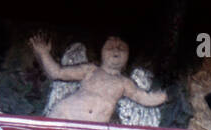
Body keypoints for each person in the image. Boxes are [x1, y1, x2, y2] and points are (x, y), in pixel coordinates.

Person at [30, 34, 167, 123]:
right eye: (110, 47)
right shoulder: (90, 70)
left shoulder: (124, 83)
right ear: (100, 52)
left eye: (121, 48)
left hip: (92, 128)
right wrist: (43, 53)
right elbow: (57, 73)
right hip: (65, 114)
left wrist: (166, 95)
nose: (116, 51)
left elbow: (143, 98)